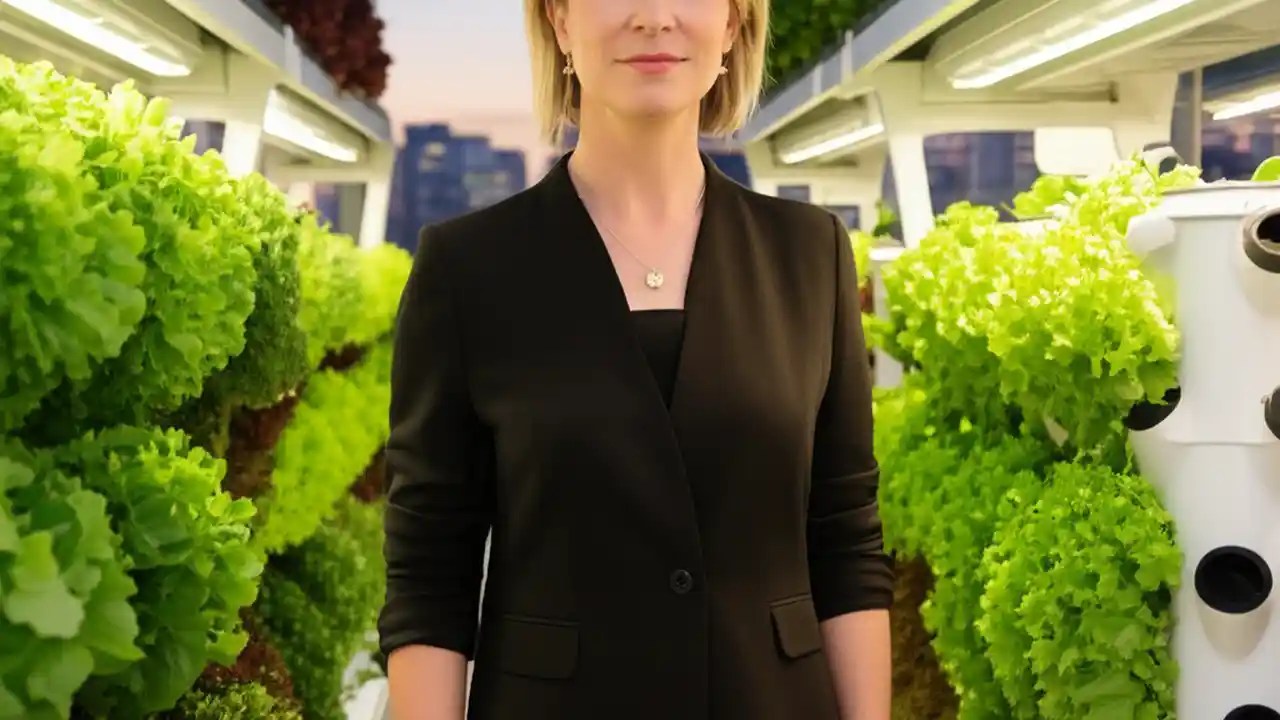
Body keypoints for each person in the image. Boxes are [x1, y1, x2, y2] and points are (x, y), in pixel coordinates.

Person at [377, 0, 893, 717]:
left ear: (734, 26)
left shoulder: (810, 256)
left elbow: (846, 541)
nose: (654, 16)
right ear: (559, 20)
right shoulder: (468, 269)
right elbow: (431, 571)